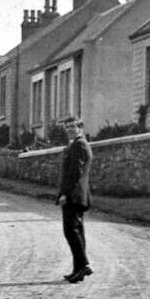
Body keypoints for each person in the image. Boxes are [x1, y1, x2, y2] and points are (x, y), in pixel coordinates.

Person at [55, 117, 92, 283]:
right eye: (67, 127)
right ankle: (78, 270)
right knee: (77, 231)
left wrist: (65, 194)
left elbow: (75, 172)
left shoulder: (79, 145)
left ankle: (83, 265)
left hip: (74, 195)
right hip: (78, 194)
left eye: (72, 126)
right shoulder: (78, 144)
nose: (69, 129)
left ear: (80, 127)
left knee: (71, 231)